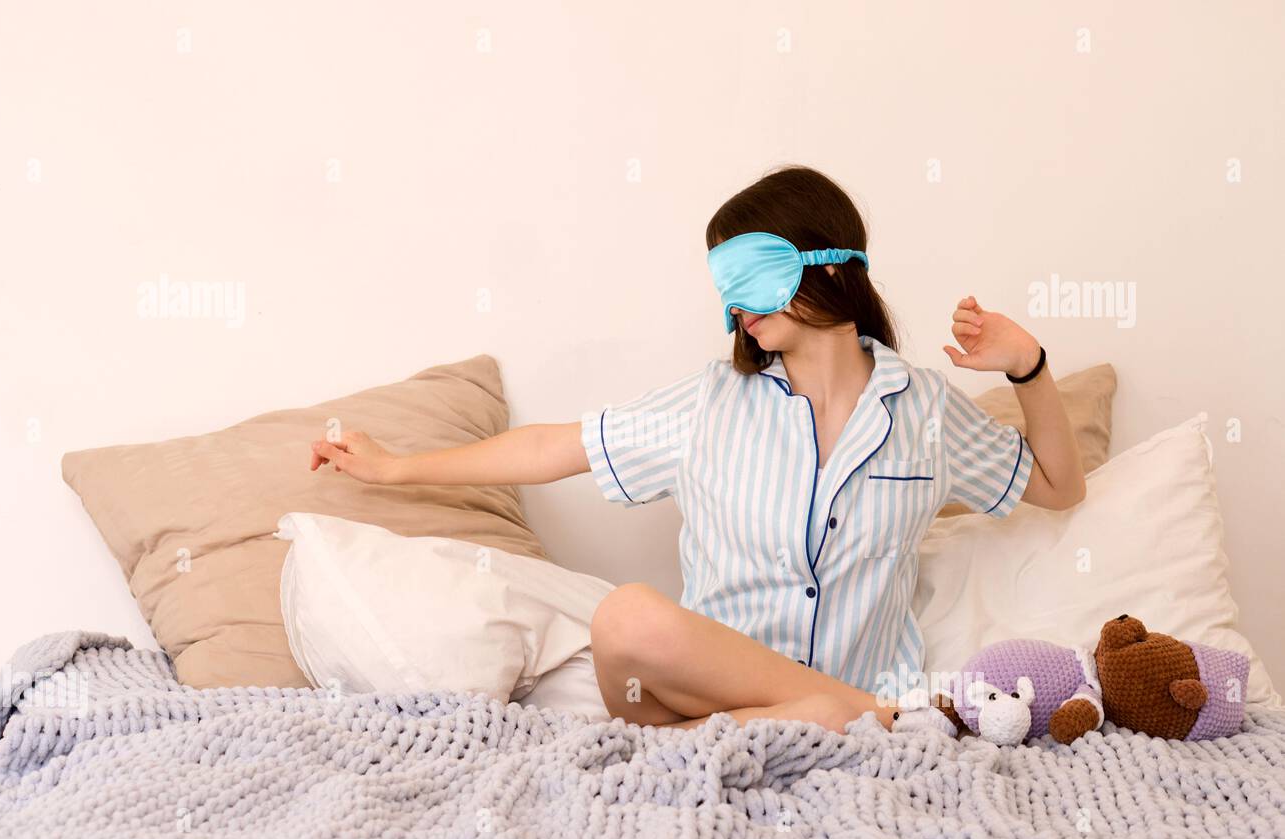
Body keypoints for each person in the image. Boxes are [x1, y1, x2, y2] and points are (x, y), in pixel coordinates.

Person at [310, 166, 1086, 733]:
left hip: (825, 691)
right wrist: (395, 467)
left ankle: (808, 721)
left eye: (747, 273)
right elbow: (554, 448)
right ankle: (859, 721)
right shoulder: (711, 403)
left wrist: (1029, 367)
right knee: (624, 617)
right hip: (702, 698)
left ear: (824, 263)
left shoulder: (925, 411)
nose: (732, 304)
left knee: (800, 709)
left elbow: (1059, 485)